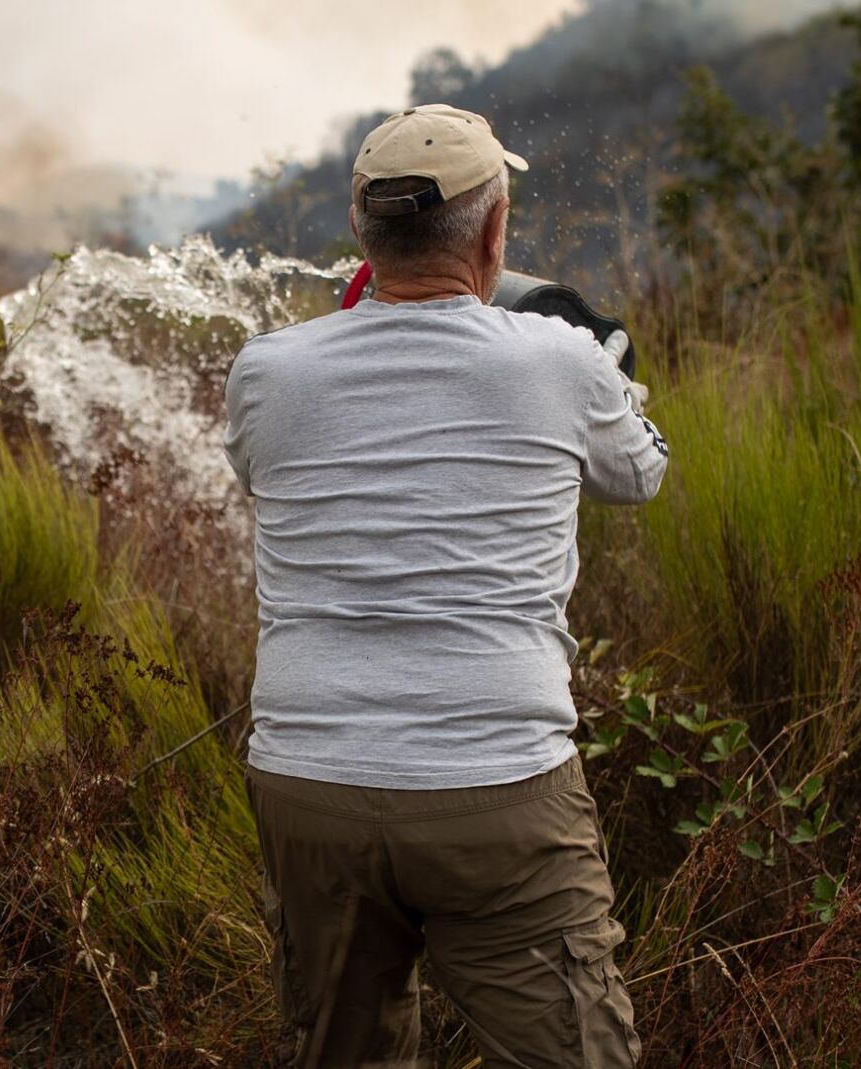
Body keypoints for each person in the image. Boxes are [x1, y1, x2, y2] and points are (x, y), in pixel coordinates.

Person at [221, 104, 667, 1068]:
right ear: (497, 230)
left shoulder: (266, 371)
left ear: (359, 228)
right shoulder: (560, 358)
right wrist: (609, 363)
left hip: (311, 783)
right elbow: (641, 472)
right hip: (496, 785)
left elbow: (264, 474)